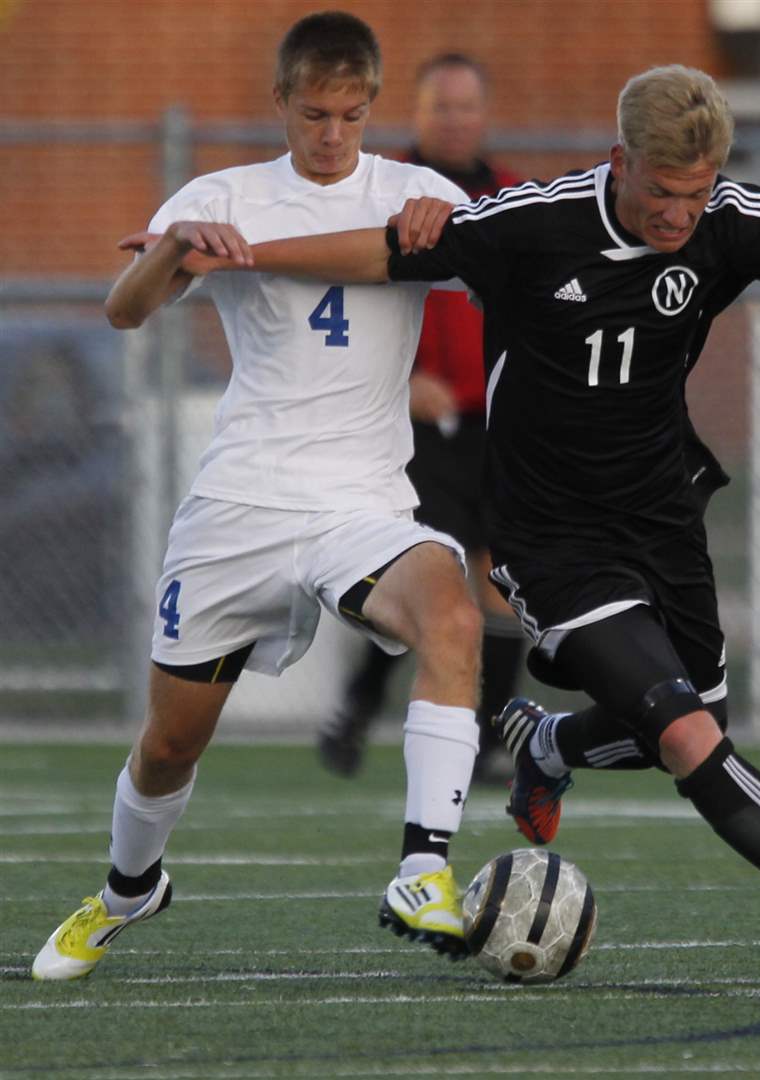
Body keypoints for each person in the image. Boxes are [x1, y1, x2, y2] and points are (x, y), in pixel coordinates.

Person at [150, 65, 760, 982]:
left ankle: (548, 741)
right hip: (553, 539)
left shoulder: (731, 220)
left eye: (695, 196)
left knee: (698, 719)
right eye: (661, 193)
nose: (678, 216)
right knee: (690, 737)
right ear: (620, 162)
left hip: (662, 519)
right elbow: (381, 253)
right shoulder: (533, 225)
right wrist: (246, 251)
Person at [31, 12, 486, 981]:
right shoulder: (225, 193)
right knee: (167, 746)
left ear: (372, 106)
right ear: (281, 100)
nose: (332, 137)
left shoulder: (420, 194)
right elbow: (125, 310)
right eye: (315, 114)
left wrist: (459, 240)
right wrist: (173, 247)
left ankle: (424, 869)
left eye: (352, 116)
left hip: (362, 502)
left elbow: (517, 288)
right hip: (241, 503)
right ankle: (129, 889)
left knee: (451, 609)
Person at [318, 53, 524, 784]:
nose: (456, 120)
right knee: (416, 573)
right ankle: (356, 708)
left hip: (495, 429)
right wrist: (402, 381)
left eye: (468, 107)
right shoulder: (384, 195)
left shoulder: (506, 199)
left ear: (485, 115)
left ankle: (497, 732)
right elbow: (348, 307)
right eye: (443, 107)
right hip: (409, 430)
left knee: (501, 578)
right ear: (418, 113)